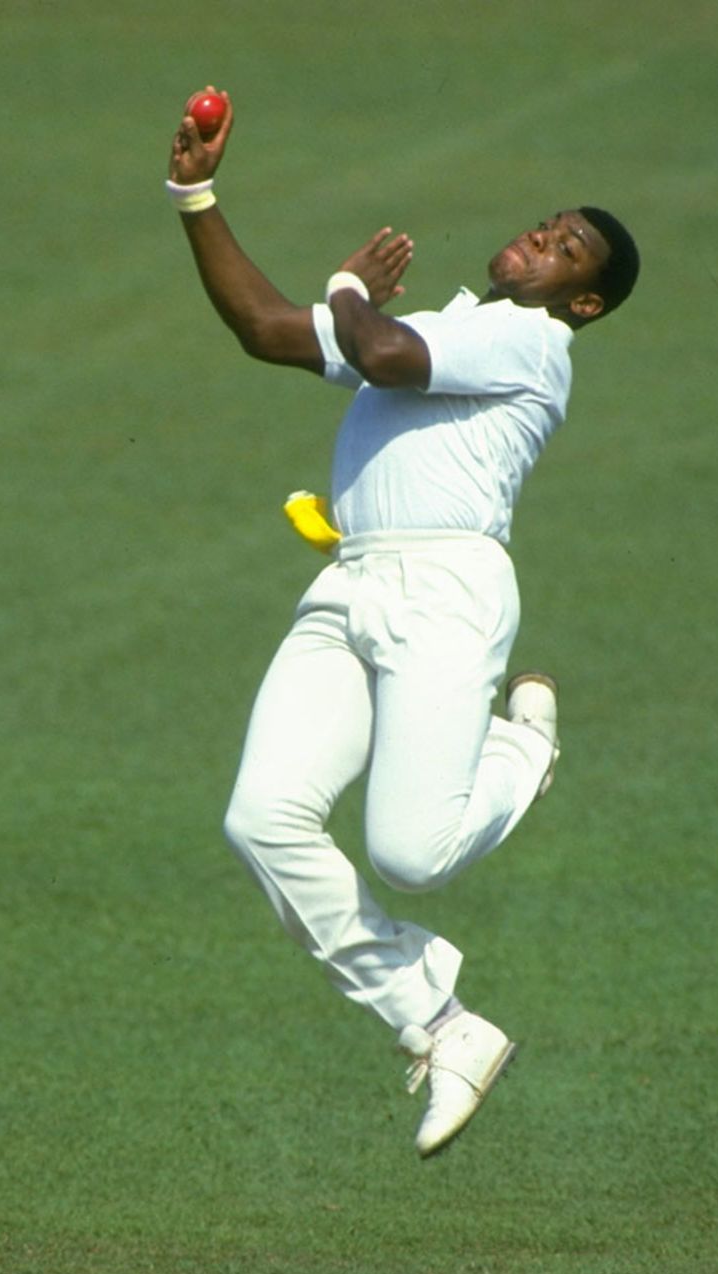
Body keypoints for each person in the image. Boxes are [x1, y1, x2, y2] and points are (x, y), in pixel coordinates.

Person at [167, 93, 638, 1157]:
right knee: (264, 817)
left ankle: (520, 751)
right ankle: (438, 1024)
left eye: (565, 249)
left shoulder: (532, 344)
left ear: (585, 302)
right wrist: (194, 190)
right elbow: (262, 330)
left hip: (447, 590)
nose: (538, 241)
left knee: (411, 857)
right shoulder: (459, 321)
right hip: (351, 585)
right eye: (544, 223)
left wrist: (345, 290)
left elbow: (373, 352)